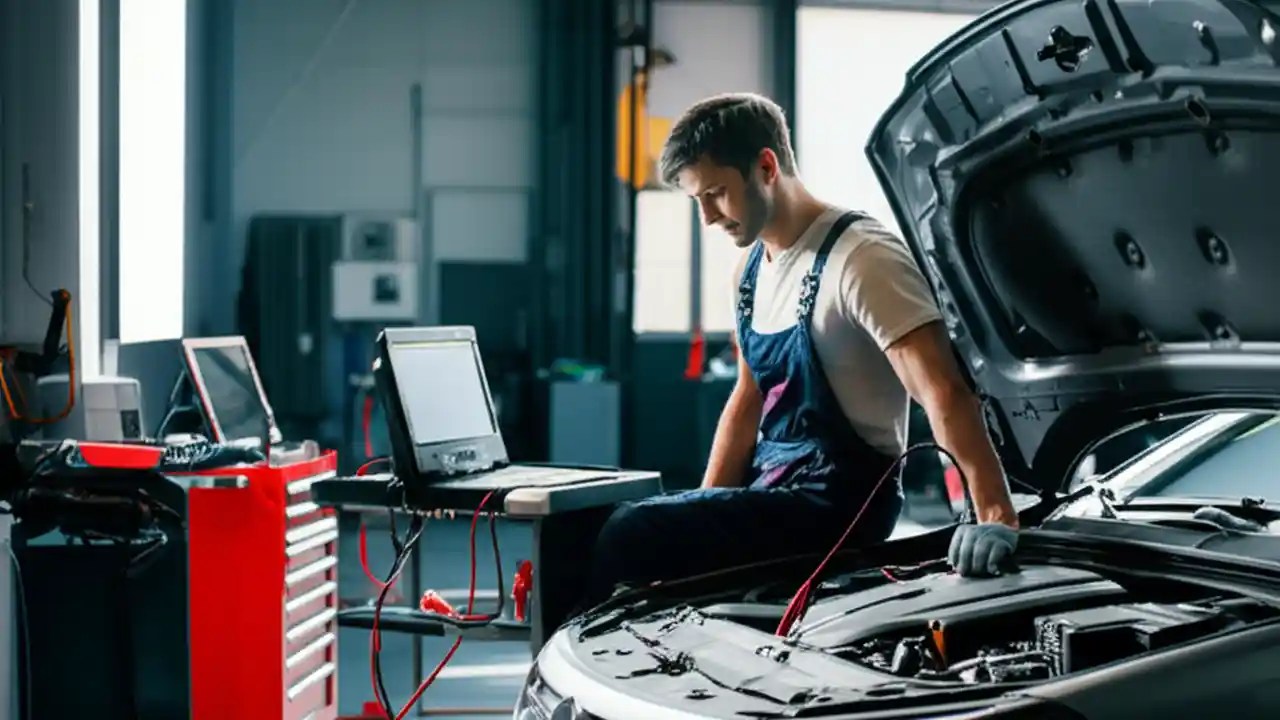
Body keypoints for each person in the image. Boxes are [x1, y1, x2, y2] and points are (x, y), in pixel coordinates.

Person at [583, 93, 1018, 604]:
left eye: (717, 193)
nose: (707, 218)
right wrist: (706, 508)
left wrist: (996, 515)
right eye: (697, 201)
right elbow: (748, 400)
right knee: (591, 522)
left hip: (840, 506)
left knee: (628, 531)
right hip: (776, 491)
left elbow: (942, 389)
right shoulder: (749, 272)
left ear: (766, 166)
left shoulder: (862, 258)